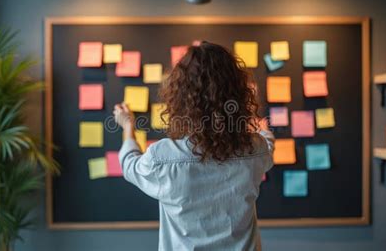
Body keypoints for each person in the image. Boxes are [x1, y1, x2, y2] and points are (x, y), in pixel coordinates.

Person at [113, 41, 275, 251]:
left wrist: (127, 125)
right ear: (239, 94)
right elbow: (268, 142)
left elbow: (129, 164)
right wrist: (255, 124)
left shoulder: (162, 157)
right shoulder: (256, 149)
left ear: (180, 97)